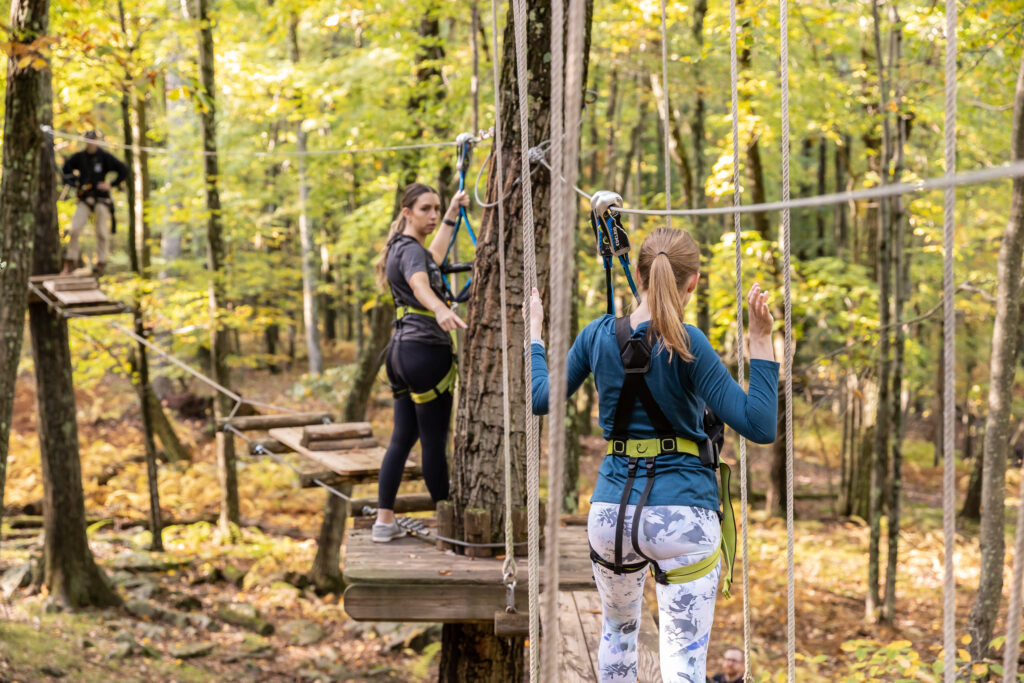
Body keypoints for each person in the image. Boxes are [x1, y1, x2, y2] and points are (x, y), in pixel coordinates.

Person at [529, 227, 779, 683]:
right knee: (682, 660)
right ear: (693, 282)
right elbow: (759, 425)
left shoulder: (597, 335)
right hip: (682, 515)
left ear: (638, 273)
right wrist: (761, 344)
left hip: (612, 515)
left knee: (618, 635)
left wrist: (535, 338)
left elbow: (540, 398)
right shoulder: (687, 343)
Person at [371, 182, 469, 543]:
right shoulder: (411, 252)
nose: (431, 215)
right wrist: (441, 307)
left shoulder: (400, 247)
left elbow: (434, 260)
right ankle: (448, 523)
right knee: (433, 442)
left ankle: (384, 521)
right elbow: (420, 282)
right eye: (425, 209)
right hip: (425, 351)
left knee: (402, 437)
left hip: (399, 355)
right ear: (406, 212)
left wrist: (450, 215)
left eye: (435, 208)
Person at [60, 131, 128, 277]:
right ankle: (70, 262)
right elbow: (65, 170)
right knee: (75, 230)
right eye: (88, 140)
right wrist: (74, 181)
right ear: (85, 141)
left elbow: (123, 169)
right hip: (84, 199)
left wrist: (111, 184)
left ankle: (101, 264)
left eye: (93, 140)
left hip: (101, 200)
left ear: (97, 141)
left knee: (102, 232)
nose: (91, 143)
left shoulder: (104, 157)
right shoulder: (80, 157)